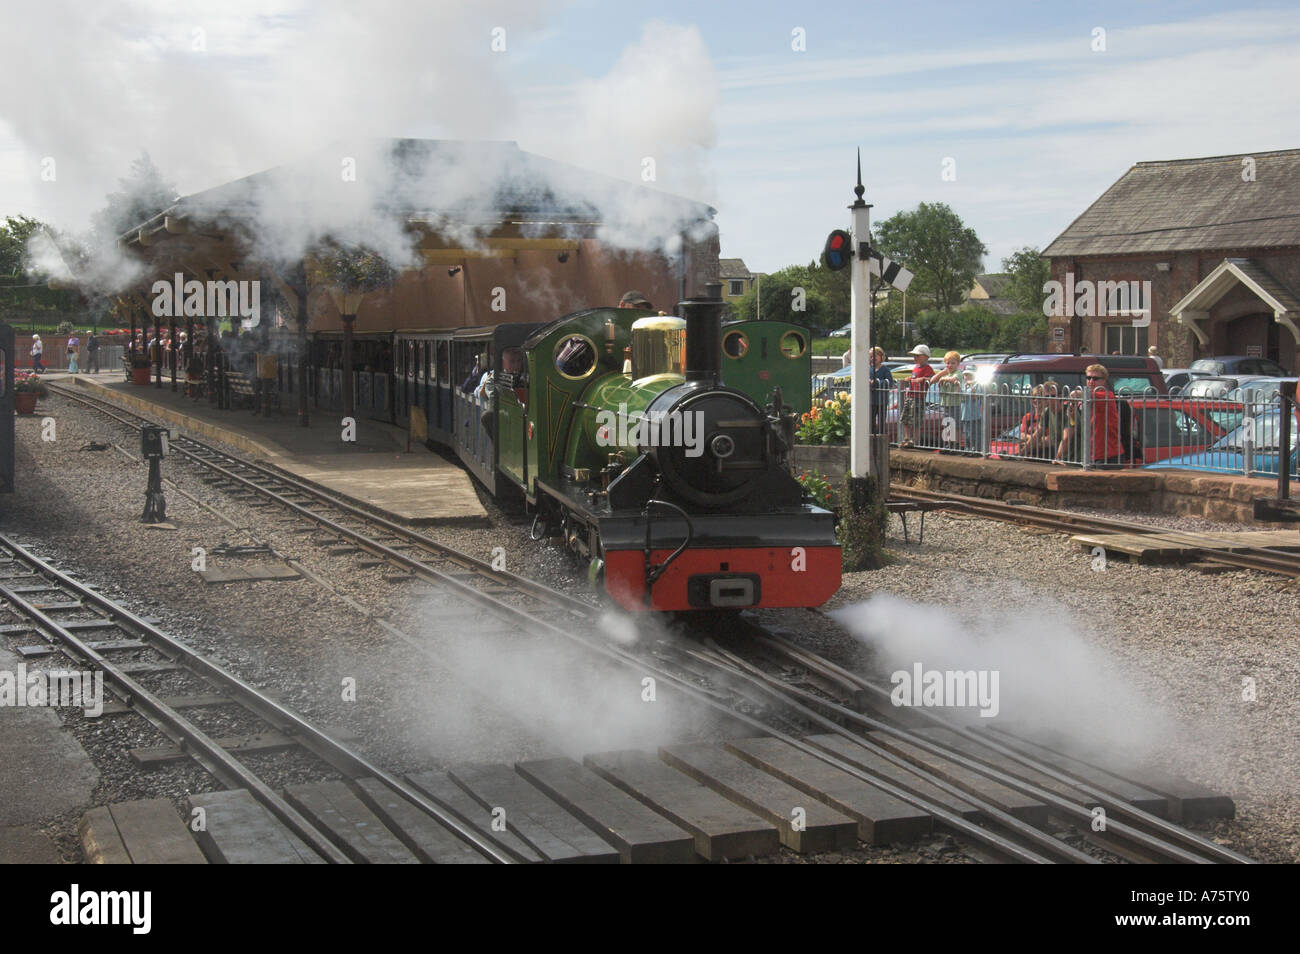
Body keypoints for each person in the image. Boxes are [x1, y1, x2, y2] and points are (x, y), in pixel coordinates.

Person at [1084, 364, 1122, 466]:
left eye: (1095, 378)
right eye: (1088, 378)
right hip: (1091, 454)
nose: (1091, 381)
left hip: (1108, 455)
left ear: (1104, 380)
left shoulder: (1106, 395)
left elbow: (1091, 396)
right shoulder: (1087, 398)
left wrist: (1077, 394)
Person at [900, 344, 934, 447]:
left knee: (916, 420)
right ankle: (906, 438)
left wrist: (923, 379)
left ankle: (914, 440)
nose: (915, 358)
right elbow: (914, 377)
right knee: (905, 418)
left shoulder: (928, 368)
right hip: (910, 395)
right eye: (914, 356)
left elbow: (932, 379)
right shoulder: (915, 368)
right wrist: (909, 379)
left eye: (918, 356)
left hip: (919, 397)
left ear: (926, 357)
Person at [930, 350, 964, 448]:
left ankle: (956, 444)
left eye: (953, 363)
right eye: (948, 363)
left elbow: (954, 379)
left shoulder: (958, 373)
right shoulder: (946, 373)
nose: (950, 365)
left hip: (956, 403)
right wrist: (942, 373)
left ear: (958, 364)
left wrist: (943, 379)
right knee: (947, 424)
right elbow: (932, 380)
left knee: (956, 424)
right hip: (945, 403)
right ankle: (949, 443)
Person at [868, 346, 893, 435]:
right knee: (871, 420)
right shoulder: (868, 369)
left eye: (875, 356)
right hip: (871, 400)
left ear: (881, 357)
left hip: (882, 400)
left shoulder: (885, 369)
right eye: (870, 356)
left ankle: (881, 436)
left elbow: (890, 383)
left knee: (882, 420)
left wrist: (878, 382)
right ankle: (871, 436)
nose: (873, 358)